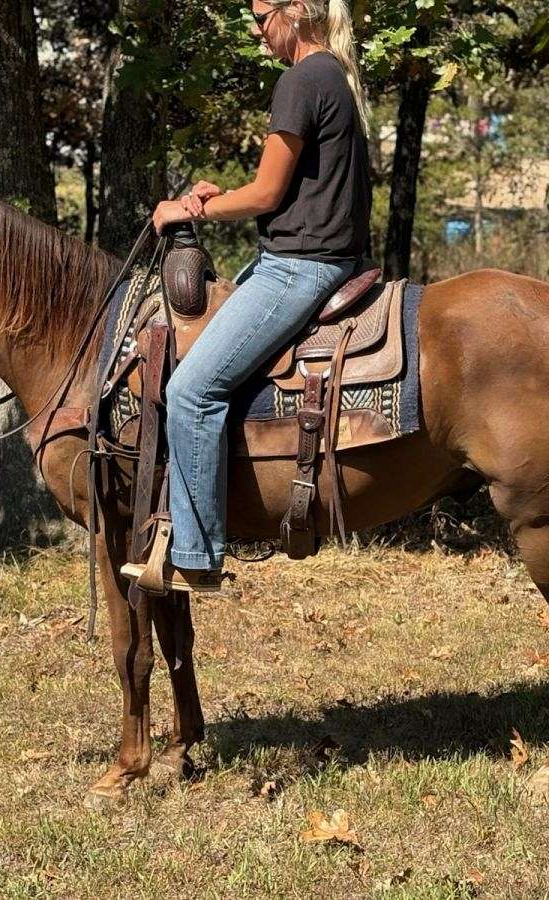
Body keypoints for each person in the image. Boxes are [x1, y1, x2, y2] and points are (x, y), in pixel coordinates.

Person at [129, 0, 373, 593]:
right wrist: (220, 196)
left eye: (263, 15)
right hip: (316, 257)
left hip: (298, 268)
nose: (256, 26)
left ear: (297, 12)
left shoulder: (300, 78)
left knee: (191, 388)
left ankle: (194, 553)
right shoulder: (334, 76)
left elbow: (265, 195)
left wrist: (190, 209)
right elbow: (294, 191)